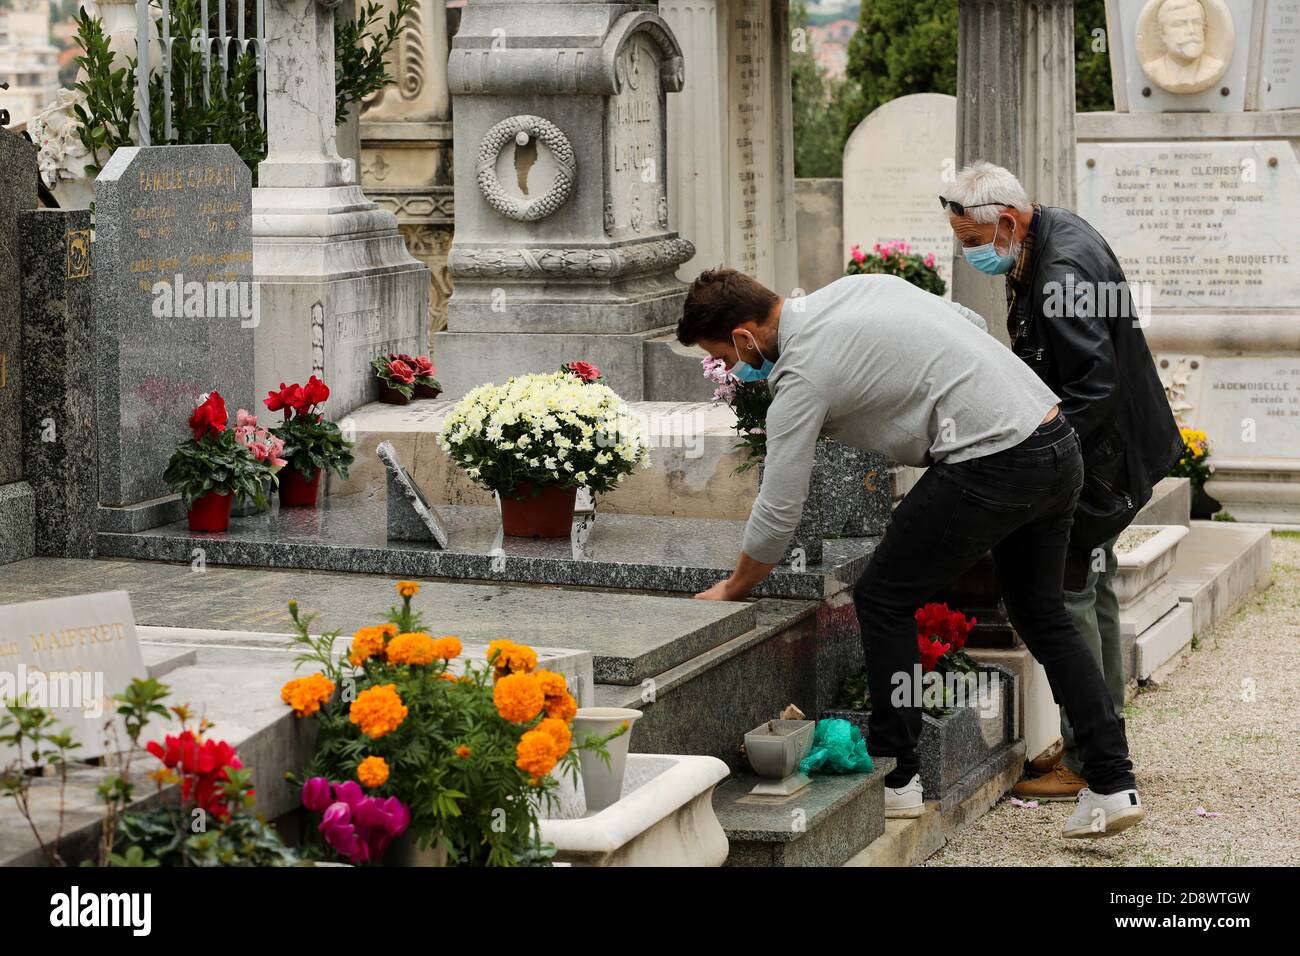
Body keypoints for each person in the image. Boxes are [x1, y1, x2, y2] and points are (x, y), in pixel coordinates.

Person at [681, 267, 1145, 838]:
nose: (735, 371)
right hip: (1051, 434)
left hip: (994, 459)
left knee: (881, 596)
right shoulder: (859, 287)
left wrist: (734, 586)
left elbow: (779, 509)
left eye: (726, 357)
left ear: (746, 336)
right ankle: (1112, 780)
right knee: (1043, 614)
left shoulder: (801, 376)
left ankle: (898, 778)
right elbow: (967, 322)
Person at [943, 161, 1182, 801]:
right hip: (1116, 450)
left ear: (1011, 221)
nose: (969, 254)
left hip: (1098, 461)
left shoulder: (1058, 273)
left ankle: (1089, 757)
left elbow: (1092, 388)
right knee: (1093, 591)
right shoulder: (1053, 235)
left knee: (1068, 597)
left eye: (972, 241)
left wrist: (1037, 458)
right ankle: (1096, 738)